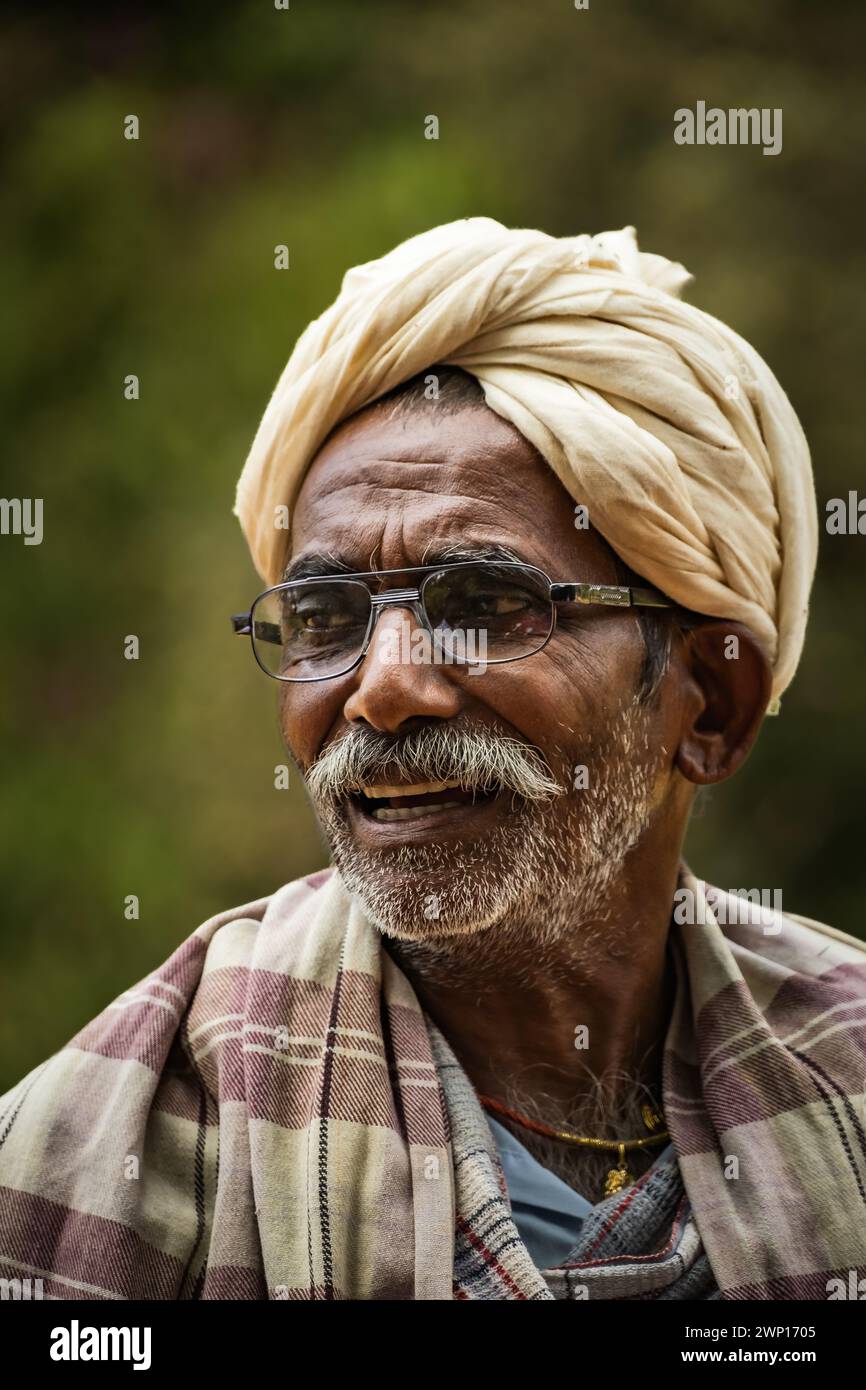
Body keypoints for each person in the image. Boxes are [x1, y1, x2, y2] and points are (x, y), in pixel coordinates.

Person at [2, 219, 864, 1302]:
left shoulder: (844, 1065)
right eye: (323, 615)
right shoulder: (95, 1155)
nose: (383, 684)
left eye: (487, 603)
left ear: (712, 704)